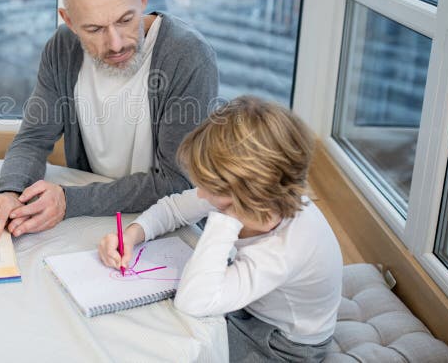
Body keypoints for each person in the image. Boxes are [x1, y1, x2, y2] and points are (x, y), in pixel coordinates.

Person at [0, 0, 219, 243]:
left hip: (168, 224)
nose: (115, 43)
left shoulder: (187, 56)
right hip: (98, 217)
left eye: (125, 20)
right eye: (94, 28)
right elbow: (33, 139)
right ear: (69, 21)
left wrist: (69, 201)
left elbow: (176, 183)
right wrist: (10, 191)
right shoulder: (62, 49)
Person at [99, 96, 343, 362]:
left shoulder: (283, 250)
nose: (200, 194)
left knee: (172, 347)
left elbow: (192, 302)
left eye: (210, 187)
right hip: (252, 306)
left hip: (281, 343)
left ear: (244, 195)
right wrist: (133, 235)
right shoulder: (253, 200)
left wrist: (223, 221)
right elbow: (173, 209)